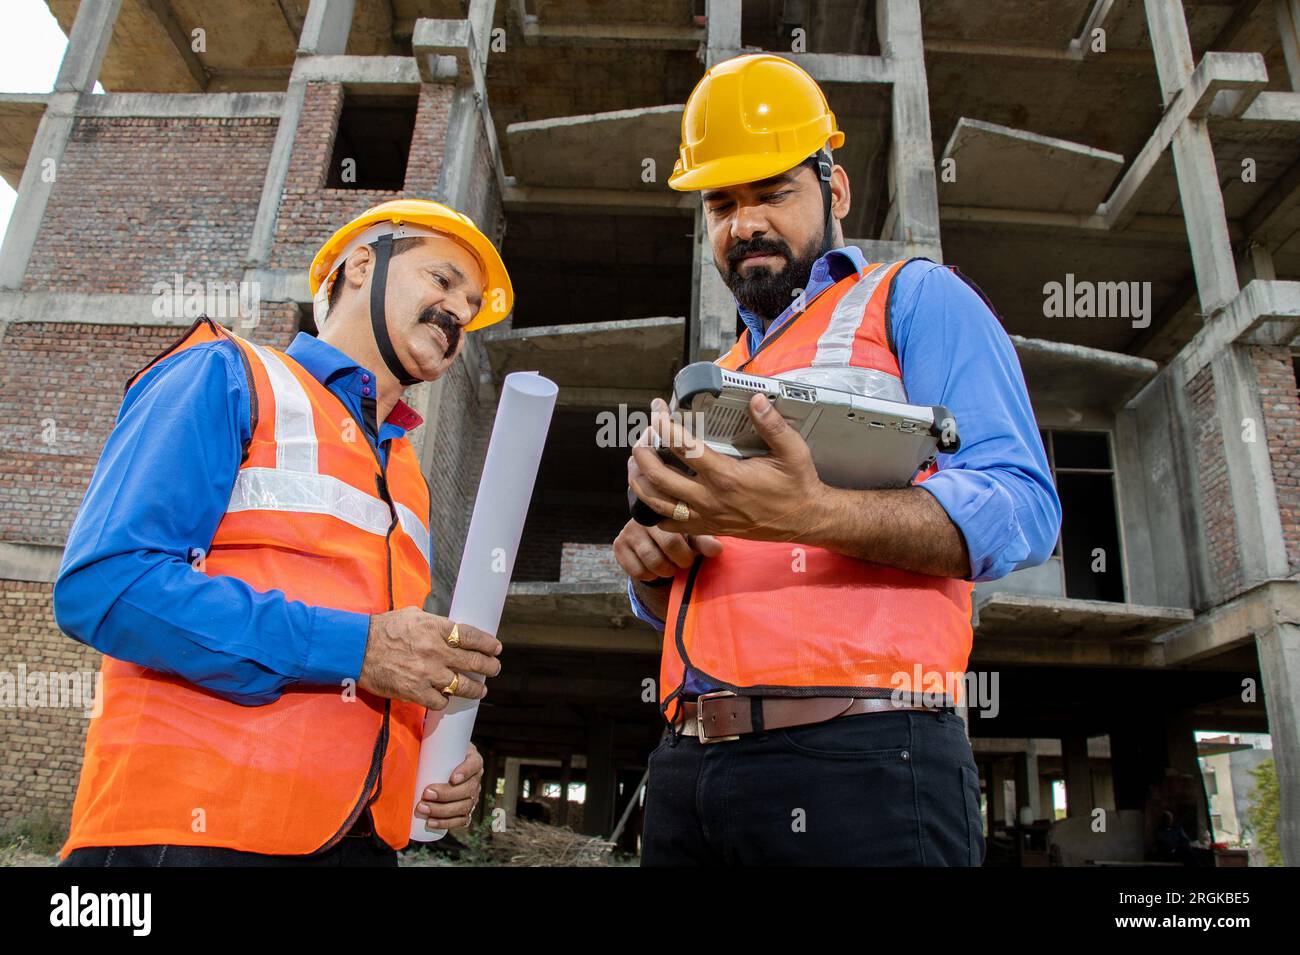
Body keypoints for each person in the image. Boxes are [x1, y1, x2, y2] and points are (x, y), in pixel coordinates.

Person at [612, 54, 1062, 866]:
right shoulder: (723, 378)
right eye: (721, 204)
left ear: (836, 189)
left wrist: (807, 513)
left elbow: (1023, 507)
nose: (744, 223)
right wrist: (653, 568)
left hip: (864, 763)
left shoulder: (915, 299)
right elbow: (704, 578)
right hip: (689, 768)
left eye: (773, 193)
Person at [55, 199, 512, 866]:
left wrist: (427, 743)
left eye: (472, 306)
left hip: (358, 847)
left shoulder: (406, 472)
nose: (458, 313)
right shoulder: (228, 375)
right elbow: (107, 587)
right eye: (442, 280)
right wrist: (358, 649)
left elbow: (378, 657)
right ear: (362, 265)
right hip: (189, 837)